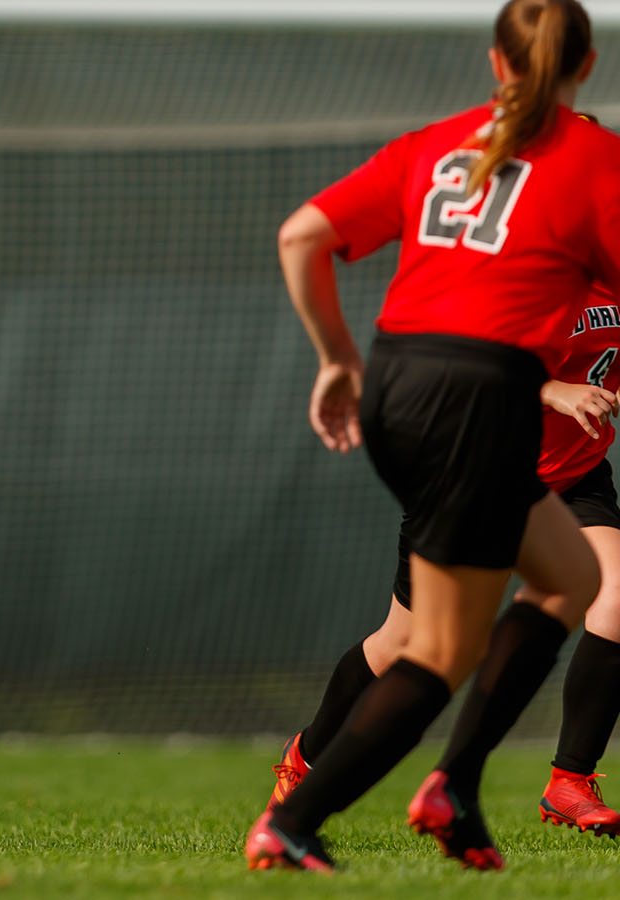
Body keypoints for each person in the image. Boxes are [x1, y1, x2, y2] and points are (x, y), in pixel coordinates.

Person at [246, 0, 620, 872]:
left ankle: (461, 783)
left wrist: (338, 359)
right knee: (436, 650)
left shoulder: (438, 142)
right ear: (586, 69)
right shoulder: (594, 158)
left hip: (399, 381)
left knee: (571, 579)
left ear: (497, 63)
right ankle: (298, 818)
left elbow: (301, 233)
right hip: (480, 400)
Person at [268, 284, 620, 856]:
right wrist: (554, 391)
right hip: (475, 469)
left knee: (617, 599)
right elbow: (459, 361)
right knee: (407, 645)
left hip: (575, 480)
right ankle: (305, 760)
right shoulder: (530, 258)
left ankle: (570, 781)